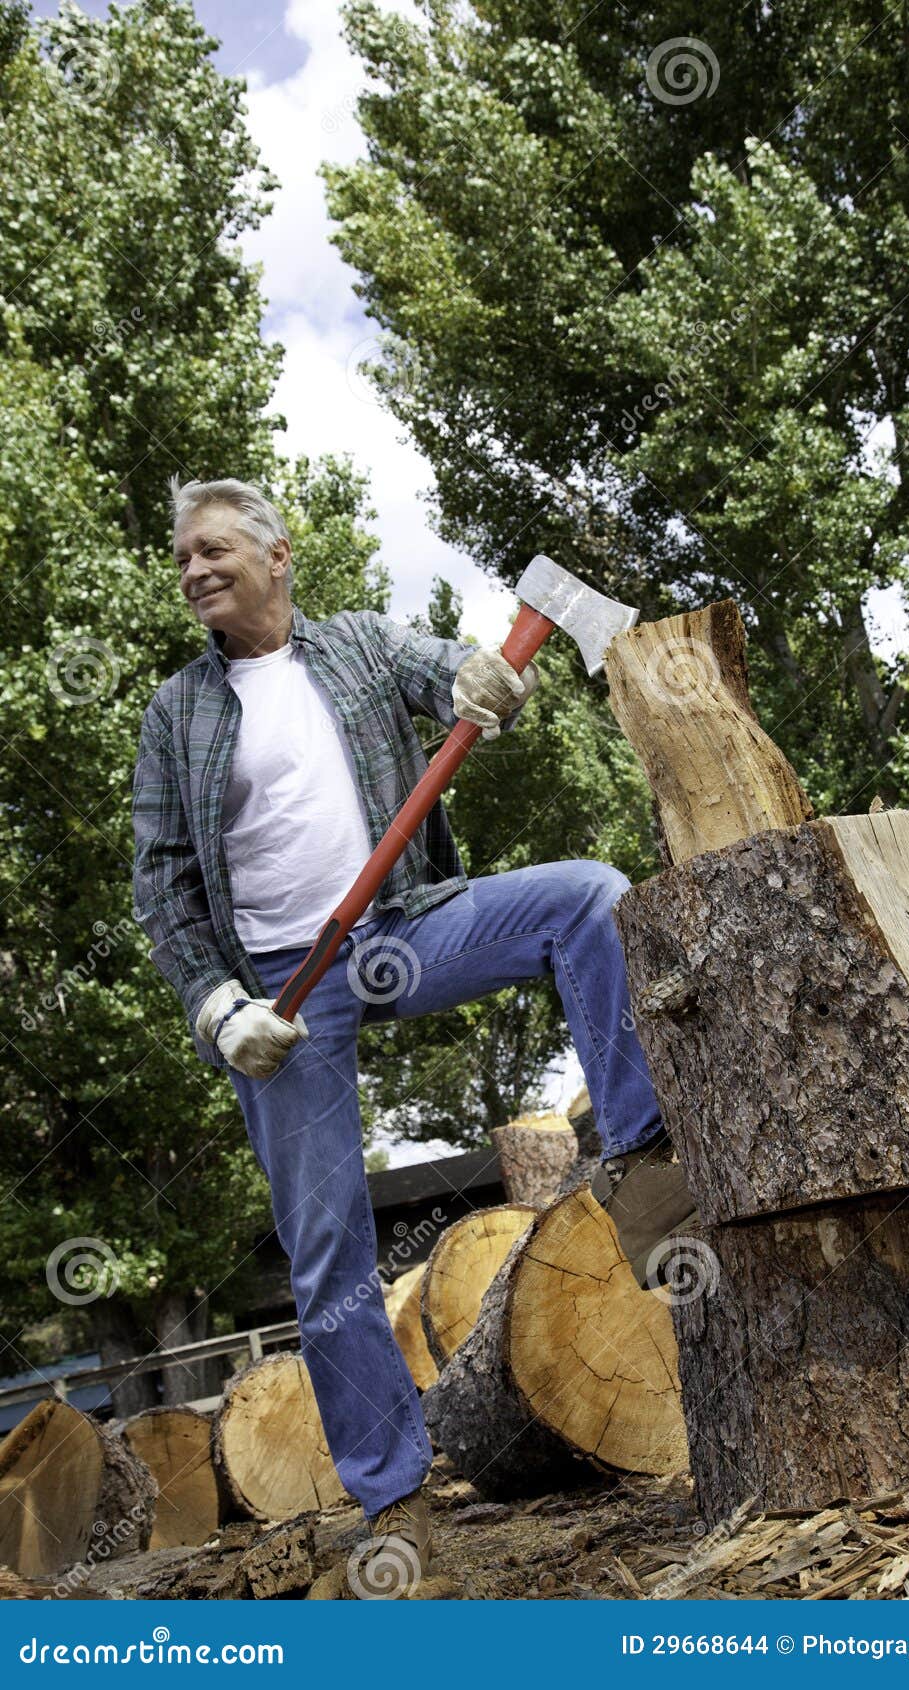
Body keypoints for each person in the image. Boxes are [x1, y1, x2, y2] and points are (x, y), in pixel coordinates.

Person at [131, 477, 697, 1596]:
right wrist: (216, 1007)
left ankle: (639, 1163)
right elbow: (162, 883)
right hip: (280, 995)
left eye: (212, 550)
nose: (193, 570)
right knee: (328, 1247)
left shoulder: (353, 644)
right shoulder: (177, 711)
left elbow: (441, 667)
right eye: (182, 557)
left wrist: (482, 677)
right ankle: (394, 1505)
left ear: (276, 555)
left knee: (585, 898)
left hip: (398, 929)